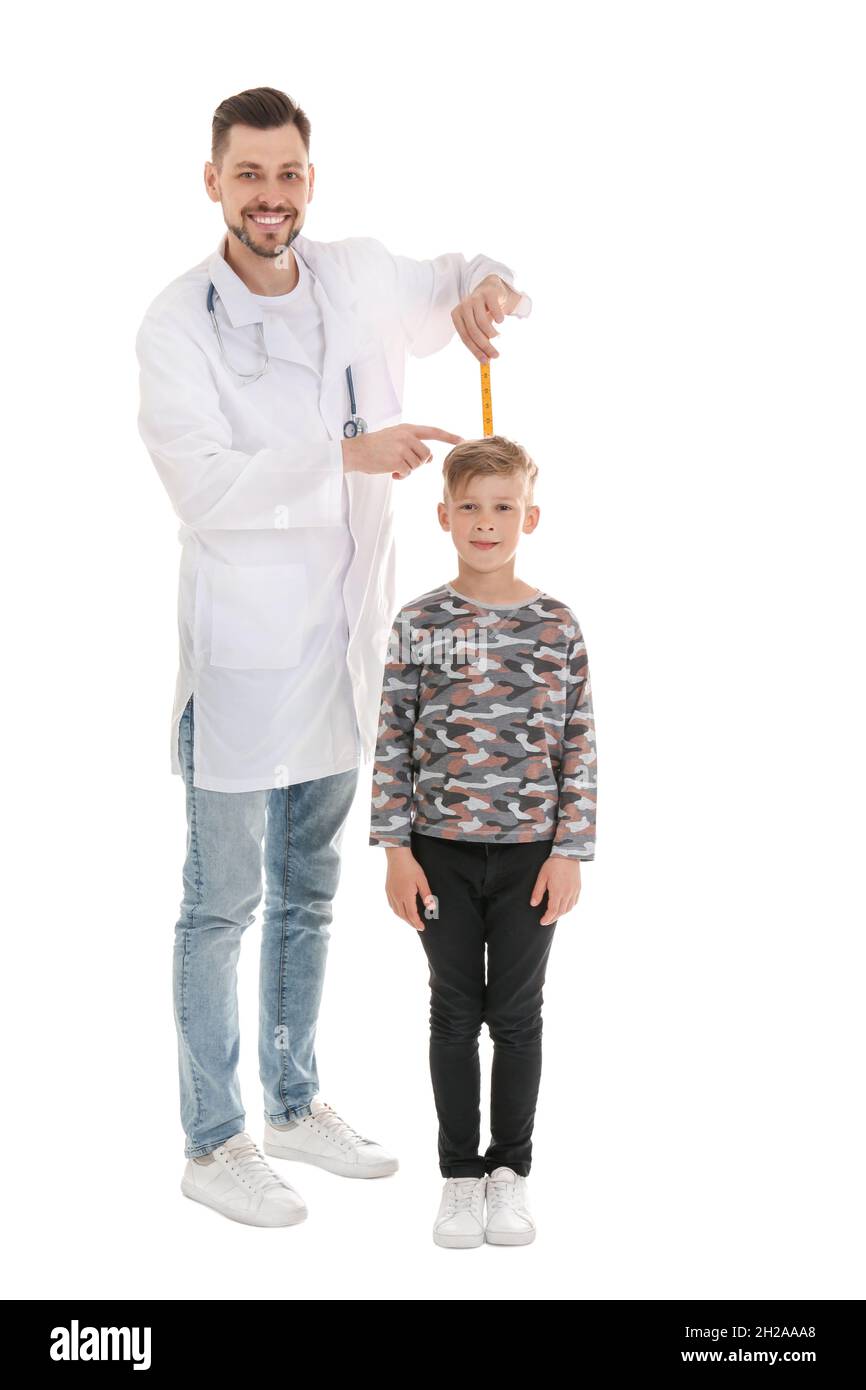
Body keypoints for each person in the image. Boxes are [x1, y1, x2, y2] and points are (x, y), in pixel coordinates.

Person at [134, 86, 533, 1228]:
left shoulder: (353, 273)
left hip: (341, 650)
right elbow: (201, 483)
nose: (272, 197)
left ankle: (295, 1104)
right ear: (212, 181)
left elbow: (454, 274)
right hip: (244, 661)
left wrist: (484, 288)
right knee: (222, 905)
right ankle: (213, 1139)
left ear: (312, 179)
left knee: (311, 892)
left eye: (290, 175)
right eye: (250, 175)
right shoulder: (179, 323)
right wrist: (345, 454)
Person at [369, 436, 597, 1247]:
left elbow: (579, 743)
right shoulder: (421, 621)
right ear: (444, 516)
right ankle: (459, 1177)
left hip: (534, 854)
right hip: (439, 851)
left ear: (530, 516)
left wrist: (570, 850)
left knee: (518, 1014)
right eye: (470, 506)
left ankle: (511, 1174)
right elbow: (392, 735)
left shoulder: (556, 624)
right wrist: (396, 849)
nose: (486, 521)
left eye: (503, 506)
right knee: (453, 1011)